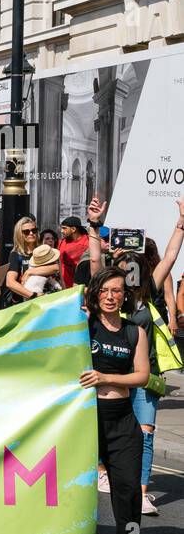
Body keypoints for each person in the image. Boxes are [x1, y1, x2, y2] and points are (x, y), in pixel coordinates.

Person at [88, 196, 184, 517]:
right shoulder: (113, 295)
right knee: (106, 429)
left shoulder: (149, 292)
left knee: (145, 432)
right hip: (112, 373)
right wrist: (93, 227)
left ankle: (141, 493)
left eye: (135, 266)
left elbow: (170, 257)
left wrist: (181, 222)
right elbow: (94, 268)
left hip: (146, 376)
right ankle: (104, 470)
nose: (130, 272)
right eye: (124, 266)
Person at [82, 267, 152, 534]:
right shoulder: (84, 327)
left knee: (130, 494)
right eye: (105, 290)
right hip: (85, 419)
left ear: (125, 295)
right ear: (96, 293)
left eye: (118, 290)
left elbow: (142, 376)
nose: (111, 296)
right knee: (80, 493)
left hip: (123, 420)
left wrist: (108, 377)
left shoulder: (134, 331)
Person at [3, 217, 41, 304]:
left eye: (34, 230)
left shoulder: (42, 250)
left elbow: (55, 267)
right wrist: (33, 295)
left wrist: (29, 272)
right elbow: (10, 282)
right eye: (26, 232)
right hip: (26, 301)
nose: (31, 233)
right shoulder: (16, 254)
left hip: (45, 297)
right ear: (20, 234)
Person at [58, 216, 88, 288]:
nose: (61, 231)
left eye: (64, 228)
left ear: (73, 229)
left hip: (81, 288)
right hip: (64, 288)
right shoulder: (62, 242)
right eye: (61, 228)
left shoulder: (87, 242)